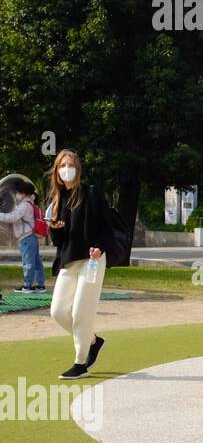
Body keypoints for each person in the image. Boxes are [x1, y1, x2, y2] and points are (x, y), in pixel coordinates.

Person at [46, 149, 115, 380]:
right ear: (57, 171)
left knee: (80, 313)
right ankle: (93, 341)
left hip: (92, 260)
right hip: (68, 260)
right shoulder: (57, 200)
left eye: (71, 164)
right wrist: (54, 229)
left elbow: (107, 227)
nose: (67, 169)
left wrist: (100, 247)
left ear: (78, 168)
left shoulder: (91, 193)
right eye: (63, 165)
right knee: (57, 311)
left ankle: (80, 362)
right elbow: (59, 240)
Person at [1, 179, 45, 293]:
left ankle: (27, 286)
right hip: (31, 237)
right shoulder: (29, 203)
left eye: (17, 192)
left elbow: (13, 217)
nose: (16, 194)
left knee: (28, 262)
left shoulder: (24, 205)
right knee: (36, 262)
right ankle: (40, 285)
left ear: (23, 193)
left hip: (26, 238)